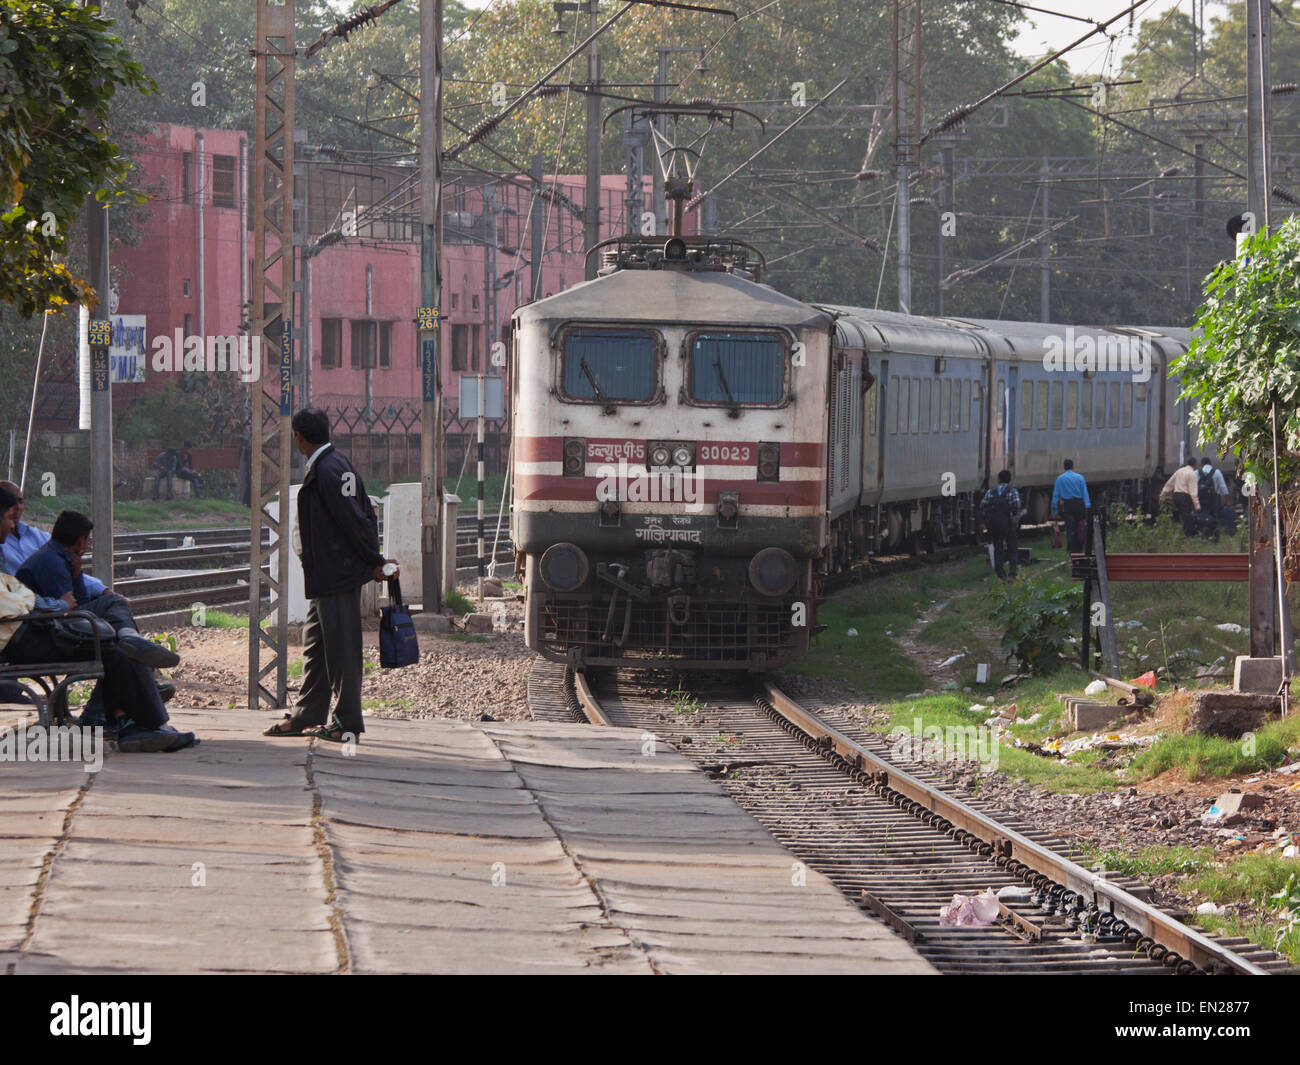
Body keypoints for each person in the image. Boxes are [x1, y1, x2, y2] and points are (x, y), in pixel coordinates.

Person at [0, 487, 195, 752]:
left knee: (114, 641)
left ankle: (136, 721)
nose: (14, 527)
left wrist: (71, 580)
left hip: (28, 629)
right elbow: (17, 601)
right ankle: (141, 721)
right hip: (20, 637)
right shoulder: (48, 560)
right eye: (11, 518)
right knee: (112, 646)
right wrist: (50, 603)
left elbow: (23, 596)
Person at [263, 408, 398, 743]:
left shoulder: (326, 471)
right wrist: (371, 560)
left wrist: (374, 562)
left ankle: (347, 722)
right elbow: (365, 515)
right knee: (318, 648)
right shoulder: (339, 464)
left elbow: (354, 522)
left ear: (298, 437)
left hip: (336, 576)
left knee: (342, 652)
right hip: (327, 577)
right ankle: (307, 713)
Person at [15, 510, 180, 671]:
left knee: (120, 644)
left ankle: (132, 646)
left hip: (47, 626)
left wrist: (77, 574)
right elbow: (74, 611)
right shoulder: (53, 562)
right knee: (115, 604)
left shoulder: (55, 555)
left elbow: (77, 604)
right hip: (44, 633)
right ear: (81, 540)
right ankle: (130, 638)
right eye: (88, 540)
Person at [981, 469, 1021, 580]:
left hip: (994, 526)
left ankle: (1001, 575)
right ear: (1009, 480)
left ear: (998, 480)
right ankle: (1012, 574)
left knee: (998, 549)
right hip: (1008, 525)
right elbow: (1017, 507)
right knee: (1012, 548)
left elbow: (983, 506)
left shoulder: (990, 492)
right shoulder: (1012, 492)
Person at [1051, 459, 1091, 553]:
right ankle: (1080, 547)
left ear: (1064, 467)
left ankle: (1071, 550)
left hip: (1068, 505)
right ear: (1073, 467)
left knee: (1070, 528)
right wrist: (1087, 506)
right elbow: (1085, 493)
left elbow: (1055, 497)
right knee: (1081, 526)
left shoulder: (1060, 479)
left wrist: (1055, 511)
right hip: (1079, 505)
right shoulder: (1080, 477)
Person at [1159, 458, 1200, 534]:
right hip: (1184, 497)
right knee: (1186, 516)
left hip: (1176, 496)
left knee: (1176, 514)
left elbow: (1169, 484)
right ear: (1194, 464)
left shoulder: (1179, 471)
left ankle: (1175, 531)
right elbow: (1193, 492)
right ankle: (1188, 534)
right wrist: (1197, 506)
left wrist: (1162, 495)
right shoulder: (1192, 474)